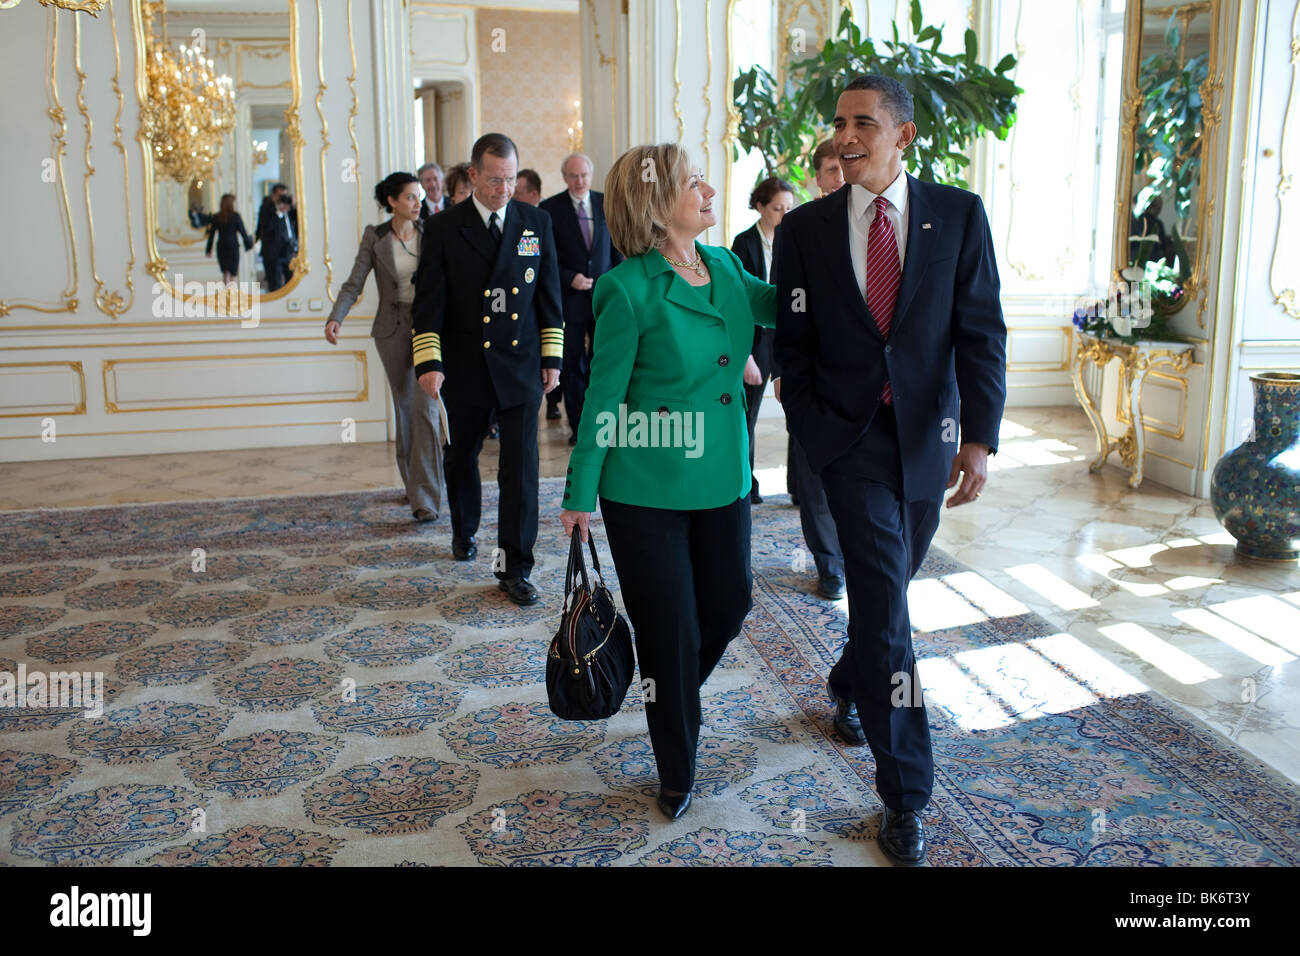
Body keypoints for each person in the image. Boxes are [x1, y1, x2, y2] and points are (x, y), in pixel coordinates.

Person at [774, 75, 1006, 865]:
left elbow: (981, 331)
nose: (845, 136)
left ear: (901, 137)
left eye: (862, 124)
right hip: (848, 442)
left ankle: (847, 678)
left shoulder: (959, 216)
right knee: (887, 603)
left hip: (927, 440)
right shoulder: (802, 230)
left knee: (886, 595)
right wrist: (811, 427)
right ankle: (905, 793)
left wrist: (978, 438)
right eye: (839, 122)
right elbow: (793, 348)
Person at [560, 144, 776, 821]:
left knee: (730, 605)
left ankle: (670, 689)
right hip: (644, 490)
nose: (710, 190)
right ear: (658, 205)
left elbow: (787, 307)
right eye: (693, 183)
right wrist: (578, 494)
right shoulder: (625, 289)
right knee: (669, 629)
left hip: (723, 478)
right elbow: (602, 400)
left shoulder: (727, 265)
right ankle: (676, 766)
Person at [413, 133, 563, 606]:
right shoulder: (443, 229)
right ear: (474, 175)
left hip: (519, 370)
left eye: (511, 178)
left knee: (521, 472)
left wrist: (551, 358)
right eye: (495, 179)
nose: (504, 188)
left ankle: (514, 568)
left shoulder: (535, 222)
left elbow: (548, 298)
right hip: (466, 367)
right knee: (462, 457)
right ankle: (464, 528)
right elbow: (428, 306)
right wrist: (429, 363)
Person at [326, 172, 446, 523]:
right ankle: (414, 486)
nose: (417, 203)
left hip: (428, 328)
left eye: (420, 196)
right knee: (406, 407)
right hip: (390, 330)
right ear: (392, 201)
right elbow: (354, 283)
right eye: (410, 197)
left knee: (426, 407)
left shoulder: (432, 232)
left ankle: (427, 497)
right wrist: (337, 317)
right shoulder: (375, 237)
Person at [540, 152, 623, 445]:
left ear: (591, 176)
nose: (579, 181)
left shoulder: (605, 203)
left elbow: (617, 251)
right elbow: (545, 259)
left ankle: (604, 423)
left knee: (603, 363)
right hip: (570, 301)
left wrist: (617, 284)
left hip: (604, 299)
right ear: (565, 178)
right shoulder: (550, 209)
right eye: (574, 176)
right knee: (573, 365)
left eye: (584, 176)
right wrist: (568, 277)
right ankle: (579, 426)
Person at [731, 177, 793, 504]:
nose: (784, 214)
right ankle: (746, 482)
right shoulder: (744, 243)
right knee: (748, 417)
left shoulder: (794, 240)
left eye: (788, 208)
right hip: (755, 343)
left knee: (796, 412)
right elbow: (739, 302)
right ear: (760, 207)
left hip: (784, 338)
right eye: (777, 208)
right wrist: (745, 356)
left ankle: (798, 485)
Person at [204, 193, 252, 286]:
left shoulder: (217, 217)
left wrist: (208, 250)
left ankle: (226, 294)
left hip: (221, 247)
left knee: (226, 273)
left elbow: (211, 235)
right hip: (233, 247)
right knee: (233, 274)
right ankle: (232, 296)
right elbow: (243, 232)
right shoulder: (236, 216)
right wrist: (249, 244)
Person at [260, 192, 298, 292]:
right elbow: (267, 229)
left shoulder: (289, 213)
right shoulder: (271, 213)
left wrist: (294, 204)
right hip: (276, 253)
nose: (288, 208)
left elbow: (298, 218)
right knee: (276, 282)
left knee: (291, 280)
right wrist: (278, 213)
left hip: (289, 250)